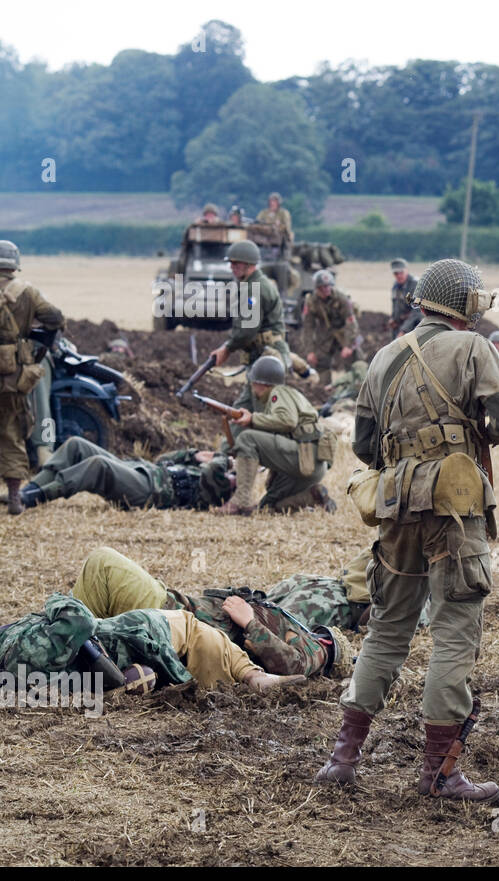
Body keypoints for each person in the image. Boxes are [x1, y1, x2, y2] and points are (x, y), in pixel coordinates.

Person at [316, 258, 499, 803]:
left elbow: (364, 446)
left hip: (395, 506)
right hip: (453, 509)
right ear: (466, 307)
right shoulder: (474, 348)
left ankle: (343, 758)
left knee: (387, 629)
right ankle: (440, 773)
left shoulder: (384, 356)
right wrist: (467, 435)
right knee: (454, 632)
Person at [70, 546, 356, 678]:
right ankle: (73, 648)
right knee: (99, 594)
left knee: (102, 563)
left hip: (172, 616)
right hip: (174, 612)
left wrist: (249, 621)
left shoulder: (314, 650)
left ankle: (64, 646)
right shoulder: (297, 631)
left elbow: (293, 667)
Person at [2, 593, 304, 694]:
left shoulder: (15, 678)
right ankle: (255, 677)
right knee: (192, 629)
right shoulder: (20, 648)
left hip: (133, 656)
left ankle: (246, 681)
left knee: (198, 660)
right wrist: (55, 600)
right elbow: (79, 619)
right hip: (139, 633)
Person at [221, 356, 334, 515]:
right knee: (268, 506)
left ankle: (241, 500)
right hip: (312, 464)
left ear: (262, 383)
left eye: (253, 382)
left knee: (247, 438)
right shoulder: (288, 395)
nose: (252, 387)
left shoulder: (277, 393)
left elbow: (287, 421)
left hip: (304, 457)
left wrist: (253, 419)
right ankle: (313, 495)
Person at [0, 239, 65, 514]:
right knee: (13, 432)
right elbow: (56, 318)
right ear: (15, 265)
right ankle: (15, 498)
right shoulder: (27, 293)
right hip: (13, 376)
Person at [17, 437, 234, 511]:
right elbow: (162, 460)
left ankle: (38, 496)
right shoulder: (210, 470)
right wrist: (193, 455)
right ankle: (28, 490)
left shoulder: (221, 487)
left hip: (146, 491)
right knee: (76, 445)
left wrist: (224, 457)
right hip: (140, 471)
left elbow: (214, 469)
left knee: (98, 465)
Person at [206, 239, 290, 410]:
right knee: (246, 408)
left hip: (266, 356)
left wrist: (227, 349)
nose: (232, 267)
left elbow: (247, 329)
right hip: (261, 354)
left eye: (236, 263)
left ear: (249, 264)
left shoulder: (254, 289)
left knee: (260, 411)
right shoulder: (251, 285)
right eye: (231, 263)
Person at [300, 269, 363, 385]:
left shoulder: (342, 298)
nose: (325, 290)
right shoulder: (311, 301)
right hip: (325, 336)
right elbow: (308, 327)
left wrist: (348, 345)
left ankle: (356, 387)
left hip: (344, 333)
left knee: (356, 361)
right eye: (322, 287)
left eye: (327, 286)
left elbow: (351, 322)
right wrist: (309, 351)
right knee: (321, 364)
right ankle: (324, 390)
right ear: (316, 288)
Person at [388, 258, 421, 340]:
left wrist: (404, 330)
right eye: (396, 273)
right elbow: (395, 305)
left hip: (413, 329)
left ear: (406, 270)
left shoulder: (415, 285)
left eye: (401, 272)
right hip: (399, 327)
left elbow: (417, 311)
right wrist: (393, 319)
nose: (399, 276)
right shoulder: (396, 286)